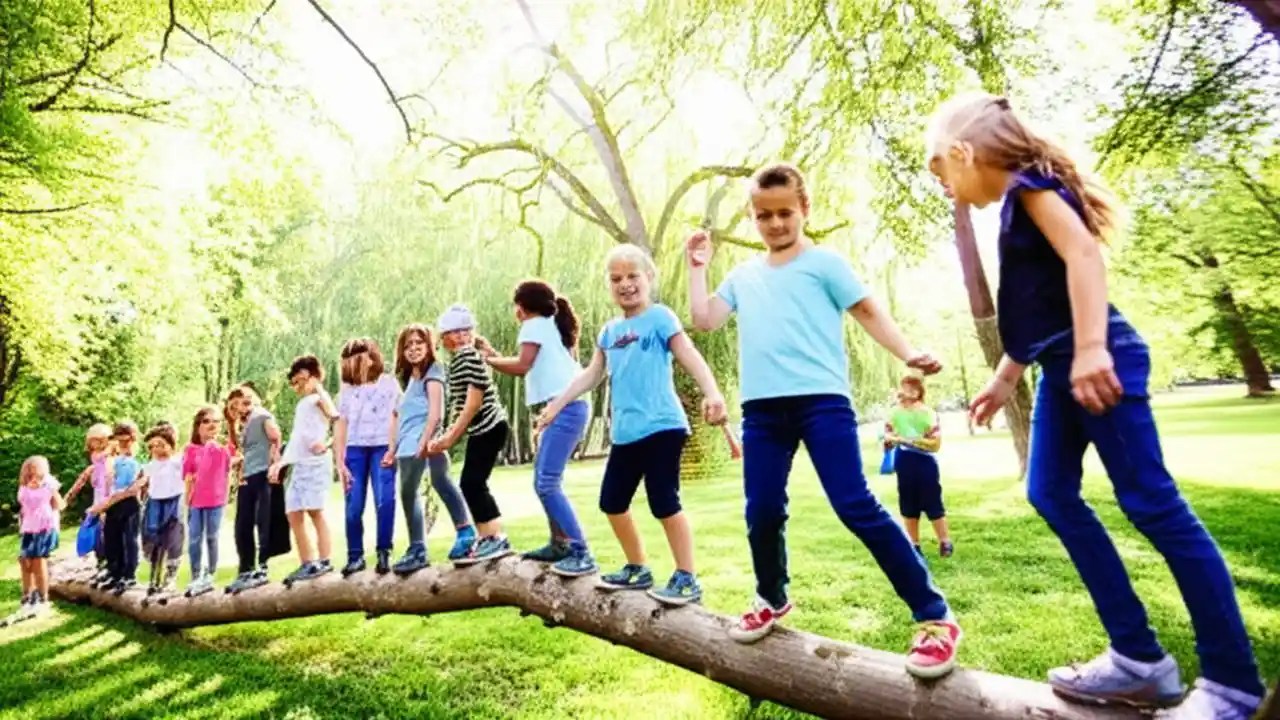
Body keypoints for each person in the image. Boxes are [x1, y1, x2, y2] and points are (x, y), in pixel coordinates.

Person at [925, 92, 1264, 718]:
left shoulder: (1031, 189)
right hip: (1062, 367)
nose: (942, 185)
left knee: (1154, 506)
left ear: (963, 153)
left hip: (1100, 363)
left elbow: (1083, 254)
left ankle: (1232, 685)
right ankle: (1138, 659)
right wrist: (1005, 378)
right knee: (1049, 492)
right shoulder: (1017, 207)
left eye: (938, 169)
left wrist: (1090, 350)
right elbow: (1041, 307)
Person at [686, 163, 959, 679]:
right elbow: (704, 320)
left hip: (822, 404)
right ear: (752, 216)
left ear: (804, 209)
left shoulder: (825, 264)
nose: (775, 223)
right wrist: (696, 266)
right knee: (762, 510)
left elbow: (868, 312)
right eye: (764, 215)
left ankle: (934, 615)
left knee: (854, 504)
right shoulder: (743, 276)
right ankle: (771, 596)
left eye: (785, 212)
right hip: (763, 413)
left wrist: (908, 353)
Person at [538, 244, 727, 603]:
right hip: (626, 434)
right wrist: (556, 405)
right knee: (612, 502)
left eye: (632, 276)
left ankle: (687, 577)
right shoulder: (609, 332)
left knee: (664, 502)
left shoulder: (660, 318)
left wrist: (712, 393)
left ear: (649, 277)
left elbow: (689, 355)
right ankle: (638, 568)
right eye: (616, 279)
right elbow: (591, 375)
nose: (625, 284)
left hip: (662, 426)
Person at [481, 280, 595, 575]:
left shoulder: (533, 325)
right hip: (567, 406)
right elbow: (528, 363)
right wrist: (493, 356)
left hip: (565, 408)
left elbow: (522, 366)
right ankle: (559, 544)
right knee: (544, 482)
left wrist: (489, 359)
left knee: (547, 483)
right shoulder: (549, 325)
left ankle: (580, 550)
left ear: (521, 307)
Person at [387, 324, 476, 574]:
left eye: (419, 343)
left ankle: (426, 546)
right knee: (432, 484)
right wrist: (393, 448)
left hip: (421, 442)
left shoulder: (433, 371)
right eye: (408, 345)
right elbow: (400, 416)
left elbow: (436, 413)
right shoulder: (410, 379)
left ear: (429, 346)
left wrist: (424, 442)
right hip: (408, 443)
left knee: (417, 490)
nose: (413, 348)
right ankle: (454, 536)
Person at [428, 304, 513, 565]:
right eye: (456, 332)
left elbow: (473, 403)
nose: (460, 337)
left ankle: (494, 537)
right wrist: (447, 433)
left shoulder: (466, 357)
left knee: (472, 483)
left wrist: (450, 438)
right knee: (472, 482)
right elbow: (459, 404)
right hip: (485, 428)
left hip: (489, 426)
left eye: (465, 331)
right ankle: (487, 536)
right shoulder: (463, 358)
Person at [270, 354, 340, 584]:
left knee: (315, 510)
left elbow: (337, 419)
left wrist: (327, 443)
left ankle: (325, 560)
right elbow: (298, 437)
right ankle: (307, 562)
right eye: (294, 383)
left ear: (312, 376)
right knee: (293, 511)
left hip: (315, 463)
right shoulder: (303, 404)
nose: (297, 386)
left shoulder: (319, 397)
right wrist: (282, 463)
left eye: (300, 380)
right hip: (300, 464)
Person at [334, 338, 401, 576]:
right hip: (355, 450)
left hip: (382, 446)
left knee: (385, 499)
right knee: (353, 505)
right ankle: (355, 556)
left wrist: (393, 448)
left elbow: (395, 417)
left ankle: (384, 551)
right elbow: (340, 425)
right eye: (348, 359)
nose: (352, 363)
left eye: (358, 357)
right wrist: (339, 462)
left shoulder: (388, 384)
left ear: (371, 359)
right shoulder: (346, 391)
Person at [225, 383, 289, 593]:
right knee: (242, 524)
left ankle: (262, 567)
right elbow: (239, 448)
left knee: (264, 521)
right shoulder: (244, 425)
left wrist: (275, 465)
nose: (237, 409)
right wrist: (231, 423)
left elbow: (276, 437)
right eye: (233, 407)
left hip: (263, 473)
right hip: (248, 477)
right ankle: (245, 569)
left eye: (239, 404)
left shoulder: (261, 415)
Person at [885, 376, 952, 557]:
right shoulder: (894, 413)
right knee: (908, 501)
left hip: (925, 461)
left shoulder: (928, 413)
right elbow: (888, 435)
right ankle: (914, 545)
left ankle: (945, 541)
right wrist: (889, 441)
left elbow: (935, 443)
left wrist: (907, 440)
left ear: (919, 392)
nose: (906, 391)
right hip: (904, 460)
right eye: (904, 387)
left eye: (912, 388)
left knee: (932, 500)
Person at [183, 407, 233, 596]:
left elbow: (227, 474)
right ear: (198, 426)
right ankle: (196, 574)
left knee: (212, 537)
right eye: (206, 421)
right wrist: (187, 499)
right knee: (195, 538)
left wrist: (225, 498)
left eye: (216, 421)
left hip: (216, 500)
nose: (211, 425)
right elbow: (187, 475)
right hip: (196, 501)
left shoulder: (223, 450)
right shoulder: (190, 449)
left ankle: (210, 574)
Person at [93, 422, 143, 593]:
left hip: (128, 503)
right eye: (119, 440)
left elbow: (131, 486)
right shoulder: (112, 461)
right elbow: (107, 482)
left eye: (126, 441)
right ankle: (115, 572)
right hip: (112, 504)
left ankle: (129, 575)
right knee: (111, 539)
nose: (123, 444)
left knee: (129, 540)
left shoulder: (136, 461)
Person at [64, 423, 115, 581]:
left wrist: (106, 503)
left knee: (105, 533)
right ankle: (100, 562)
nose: (94, 445)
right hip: (97, 499)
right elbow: (84, 478)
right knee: (92, 532)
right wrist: (68, 496)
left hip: (107, 500)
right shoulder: (95, 463)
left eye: (97, 441)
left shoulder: (109, 459)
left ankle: (108, 565)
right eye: (92, 441)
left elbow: (109, 477)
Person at [16, 456, 65, 617]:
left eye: (36, 470)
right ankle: (28, 596)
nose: (33, 474)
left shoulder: (49, 485)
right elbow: (23, 508)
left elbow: (60, 505)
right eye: (30, 471)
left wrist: (50, 490)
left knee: (39, 560)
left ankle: (43, 598)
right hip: (28, 527)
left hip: (45, 526)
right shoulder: (24, 487)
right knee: (25, 561)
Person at [141, 423, 185, 594]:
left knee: (174, 537)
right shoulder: (150, 465)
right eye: (152, 446)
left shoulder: (177, 462)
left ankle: (171, 575)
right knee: (154, 538)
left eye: (160, 445)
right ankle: (154, 577)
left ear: (171, 444)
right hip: (155, 502)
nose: (156, 449)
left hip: (174, 500)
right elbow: (144, 483)